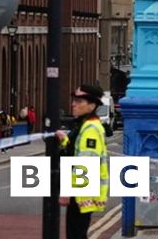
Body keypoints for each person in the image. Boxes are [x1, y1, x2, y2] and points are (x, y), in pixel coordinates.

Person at [56, 84, 109, 239]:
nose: (73, 104)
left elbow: (85, 165)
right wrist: (65, 140)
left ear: (92, 105)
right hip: (82, 192)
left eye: (79, 101)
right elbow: (76, 152)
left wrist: (67, 191)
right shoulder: (85, 125)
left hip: (81, 194)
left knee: (76, 234)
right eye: (74, 100)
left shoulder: (90, 128)